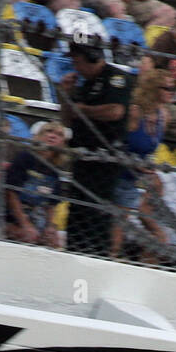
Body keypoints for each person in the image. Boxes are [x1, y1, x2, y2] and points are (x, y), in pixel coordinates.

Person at [60, 41, 135, 255]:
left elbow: (116, 111)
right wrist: (65, 95)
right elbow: (67, 120)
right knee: (77, 208)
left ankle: (98, 252)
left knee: (99, 210)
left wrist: (84, 110)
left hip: (105, 158)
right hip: (82, 157)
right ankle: (73, 249)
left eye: (78, 61)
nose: (75, 67)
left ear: (91, 58)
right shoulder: (83, 86)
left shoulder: (116, 78)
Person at [110, 69, 176, 256]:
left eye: (175, 88)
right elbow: (114, 144)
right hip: (117, 174)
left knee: (157, 189)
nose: (172, 92)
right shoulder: (135, 112)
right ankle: (112, 256)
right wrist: (133, 163)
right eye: (167, 88)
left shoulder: (163, 116)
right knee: (117, 228)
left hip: (134, 178)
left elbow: (149, 152)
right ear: (153, 89)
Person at [6, 120, 70, 248]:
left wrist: (50, 227)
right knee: (27, 236)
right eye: (49, 131)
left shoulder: (54, 170)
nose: (53, 135)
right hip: (11, 213)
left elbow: (51, 205)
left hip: (36, 215)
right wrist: (24, 224)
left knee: (54, 242)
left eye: (59, 134)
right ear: (39, 136)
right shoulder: (25, 158)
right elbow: (10, 193)